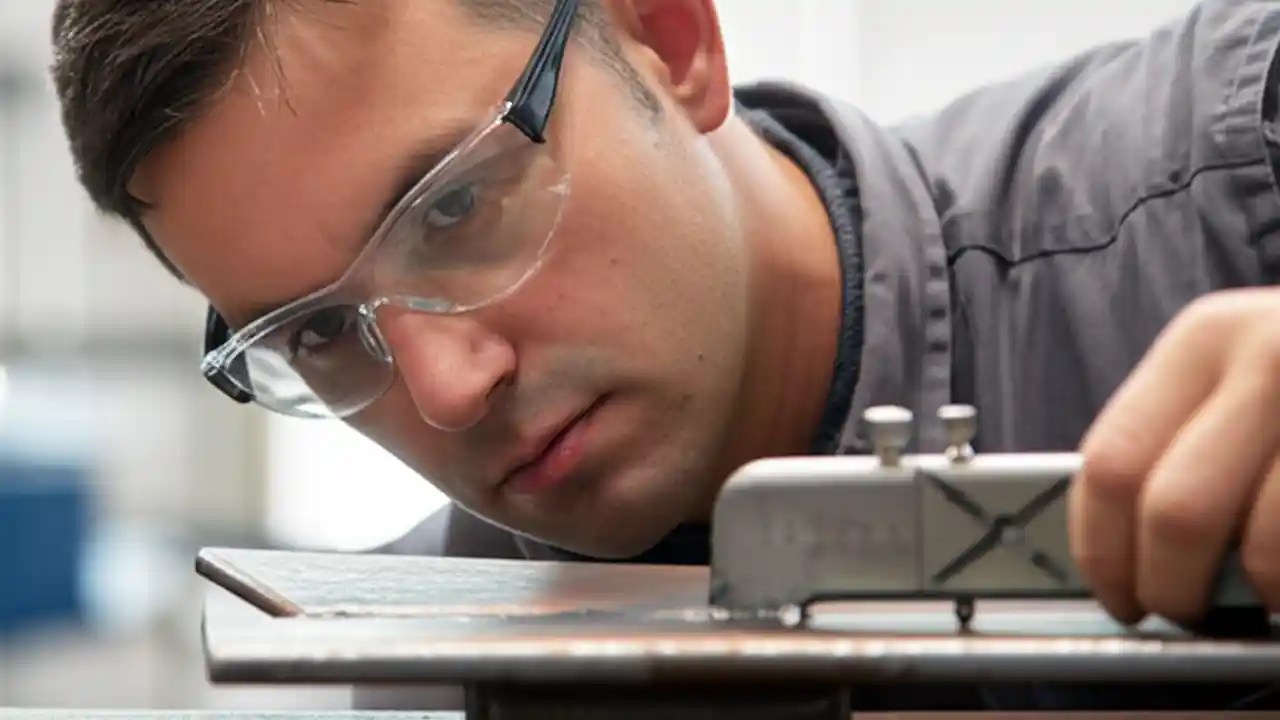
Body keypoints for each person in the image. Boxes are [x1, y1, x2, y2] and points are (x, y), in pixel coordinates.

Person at [49, 0, 1278, 711]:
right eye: (317, 332)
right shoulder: (429, 680)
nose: (444, 388)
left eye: (454, 208)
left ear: (667, 37)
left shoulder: (1238, 185)